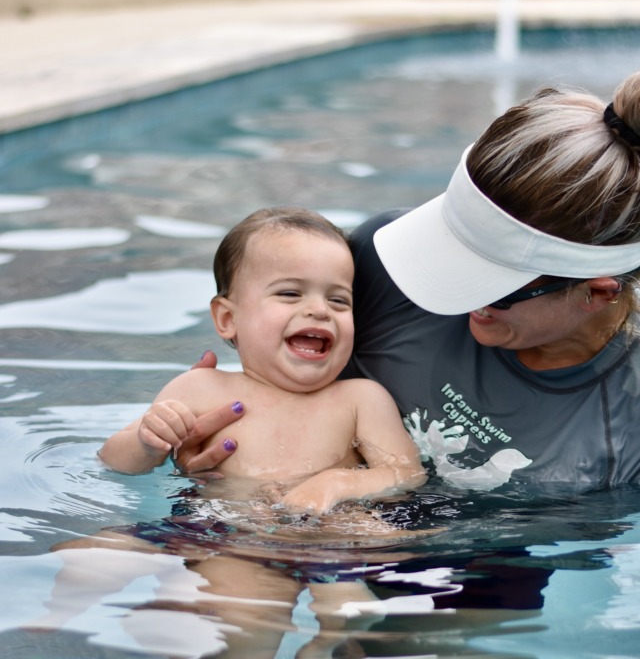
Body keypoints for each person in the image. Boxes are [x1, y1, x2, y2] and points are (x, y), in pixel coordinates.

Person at [172, 68, 640, 496]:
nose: (454, 298)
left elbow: (562, 571)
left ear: (598, 292)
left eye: (488, 284)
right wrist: (212, 438)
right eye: (450, 243)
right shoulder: (381, 258)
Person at [99, 206, 425, 513]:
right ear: (228, 319)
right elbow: (111, 459)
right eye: (290, 293)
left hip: (331, 539)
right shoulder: (200, 389)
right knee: (89, 559)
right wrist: (147, 444)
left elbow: (406, 474)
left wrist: (337, 482)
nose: (319, 310)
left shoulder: (361, 399)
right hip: (222, 530)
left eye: (339, 300)